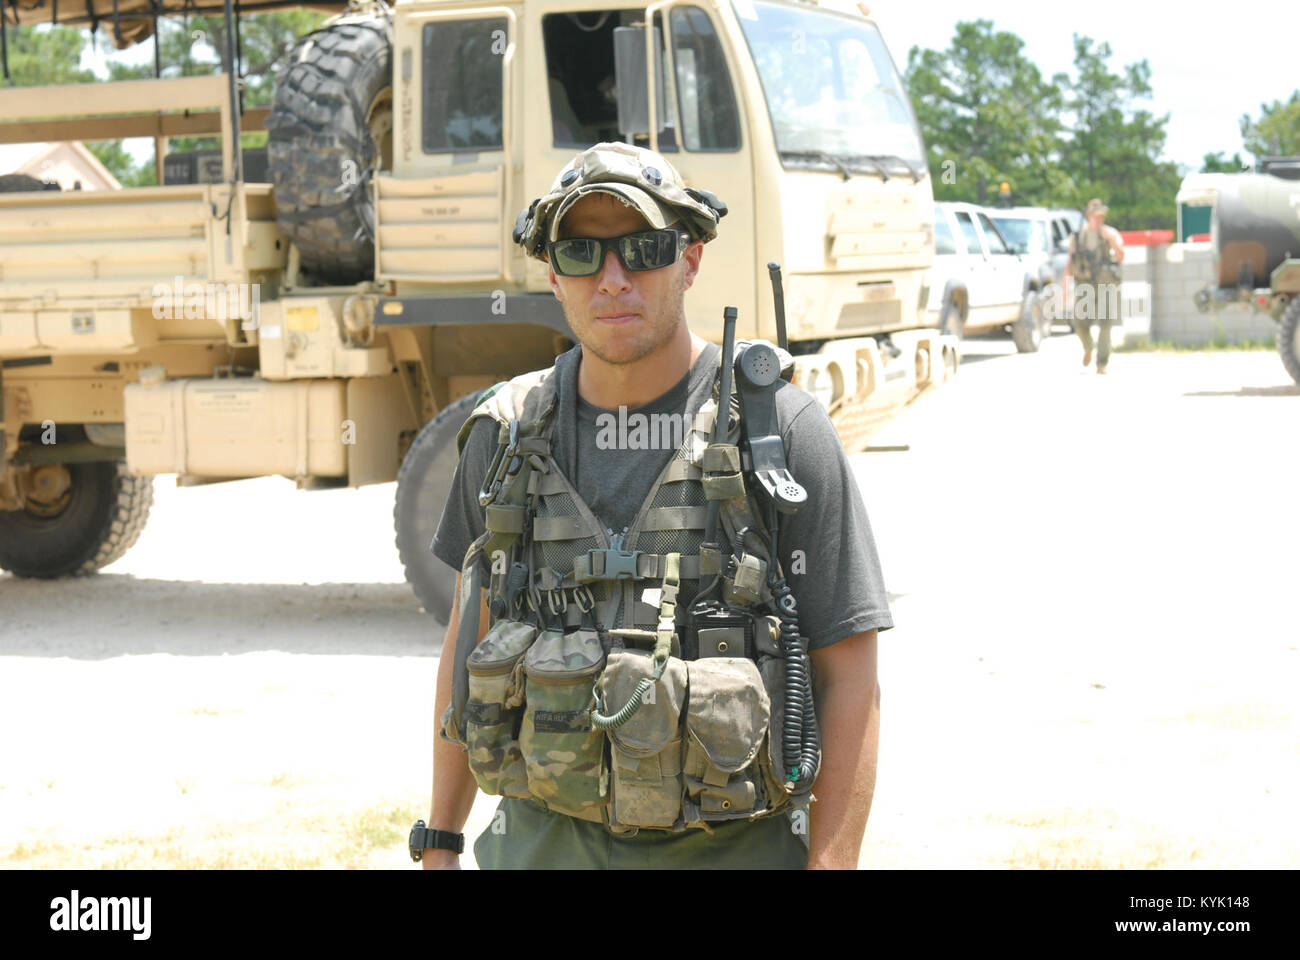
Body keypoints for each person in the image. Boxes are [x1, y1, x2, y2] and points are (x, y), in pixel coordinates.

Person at [415, 142, 891, 870]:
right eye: (581, 253)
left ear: (690, 260)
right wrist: (443, 841)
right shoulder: (506, 434)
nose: (612, 279)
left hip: (731, 850)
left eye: (643, 249)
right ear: (553, 275)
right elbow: (468, 640)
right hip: (545, 845)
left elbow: (849, 673)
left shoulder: (779, 432)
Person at [1065, 198, 1125, 374]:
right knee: (1079, 322)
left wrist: (1112, 241)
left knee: (1106, 323)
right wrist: (1064, 285)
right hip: (1084, 283)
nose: (1100, 219)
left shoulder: (1110, 233)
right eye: (1096, 216)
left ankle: (1102, 363)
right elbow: (1070, 262)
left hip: (1105, 283)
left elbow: (1121, 256)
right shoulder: (1078, 236)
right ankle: (1088, 346)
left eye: (1102, 216)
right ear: (1088, 216)